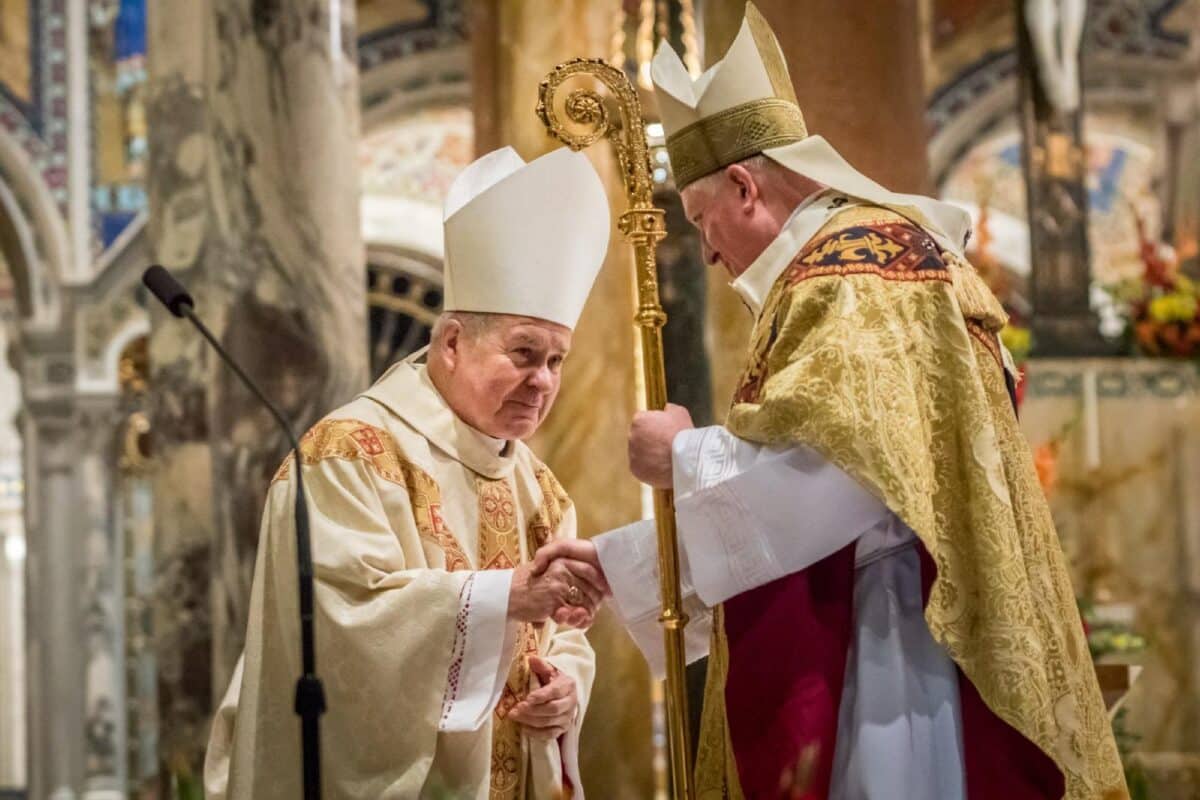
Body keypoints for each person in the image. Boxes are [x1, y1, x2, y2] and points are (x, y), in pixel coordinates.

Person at [533, 4, 1126, 799]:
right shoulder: (871, 259)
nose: (706, 250)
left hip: (889, 649)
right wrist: (620, 562)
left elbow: (840, 479)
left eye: (703, 220)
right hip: (890, 614)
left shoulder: (853, 277)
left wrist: (680, 455)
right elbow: (811, 479)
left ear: (746, 186)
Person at [204, 146, 613, 799]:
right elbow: (340, 627)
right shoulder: (347, 455)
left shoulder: (540, 489)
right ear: (451, 342)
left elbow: (563, 633)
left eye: (557, 361)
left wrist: (564, 691)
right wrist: (508, 596)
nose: (542, 381)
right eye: (524, 353)